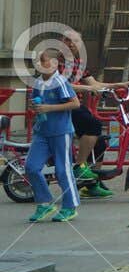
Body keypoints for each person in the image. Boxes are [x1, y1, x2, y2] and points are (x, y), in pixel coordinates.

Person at [24, 49, 82, 222]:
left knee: (62, 169)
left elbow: (75, 103)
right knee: (31, 167)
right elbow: (35, 103)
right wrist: (33, 107)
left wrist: (49, 108)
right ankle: (45, 203)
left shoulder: (60, 81)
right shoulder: (37, 83)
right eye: (39, 63)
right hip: (42, 131)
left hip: (61, 131)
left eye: (45, 62)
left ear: (55, 64)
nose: (42, 67)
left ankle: (70, 207)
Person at [67, 73, 129, 199]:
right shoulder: (59, 64)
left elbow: (94, 84)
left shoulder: (78, 64)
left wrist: (119, 85)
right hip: (64, 105)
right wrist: (88, 89)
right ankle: (79, 166)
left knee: (100, 143)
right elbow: (61, 86)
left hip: (77, 104)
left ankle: (91, 185)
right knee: (94, 125)